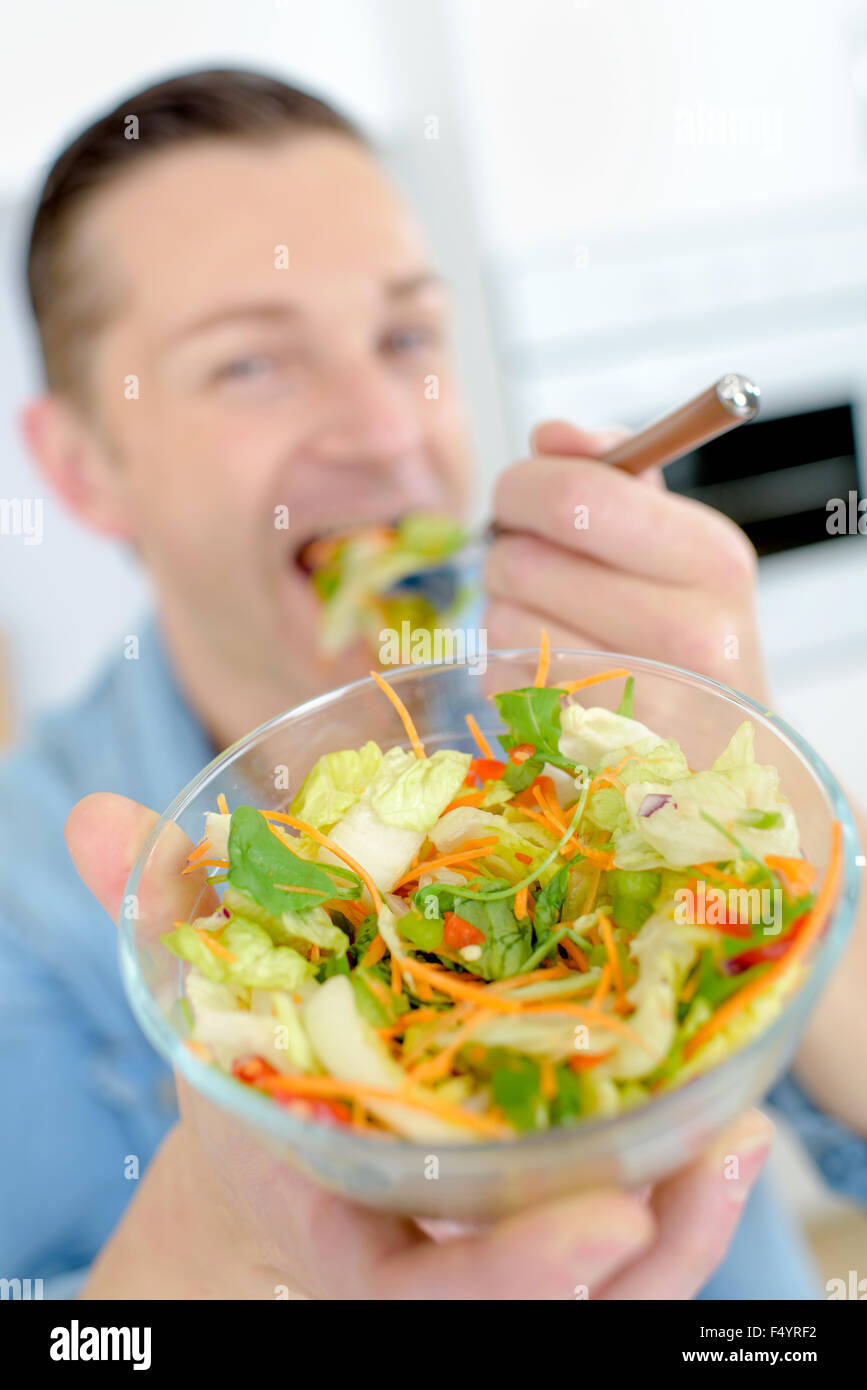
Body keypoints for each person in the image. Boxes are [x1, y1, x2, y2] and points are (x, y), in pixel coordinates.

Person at [2, 68, 864, 1300]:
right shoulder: (28, 895)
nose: (381, 431)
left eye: (405, 337)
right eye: (251, 364)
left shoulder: (604, 697)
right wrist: (219, 1240)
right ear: (82, 465)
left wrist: (767, 821)